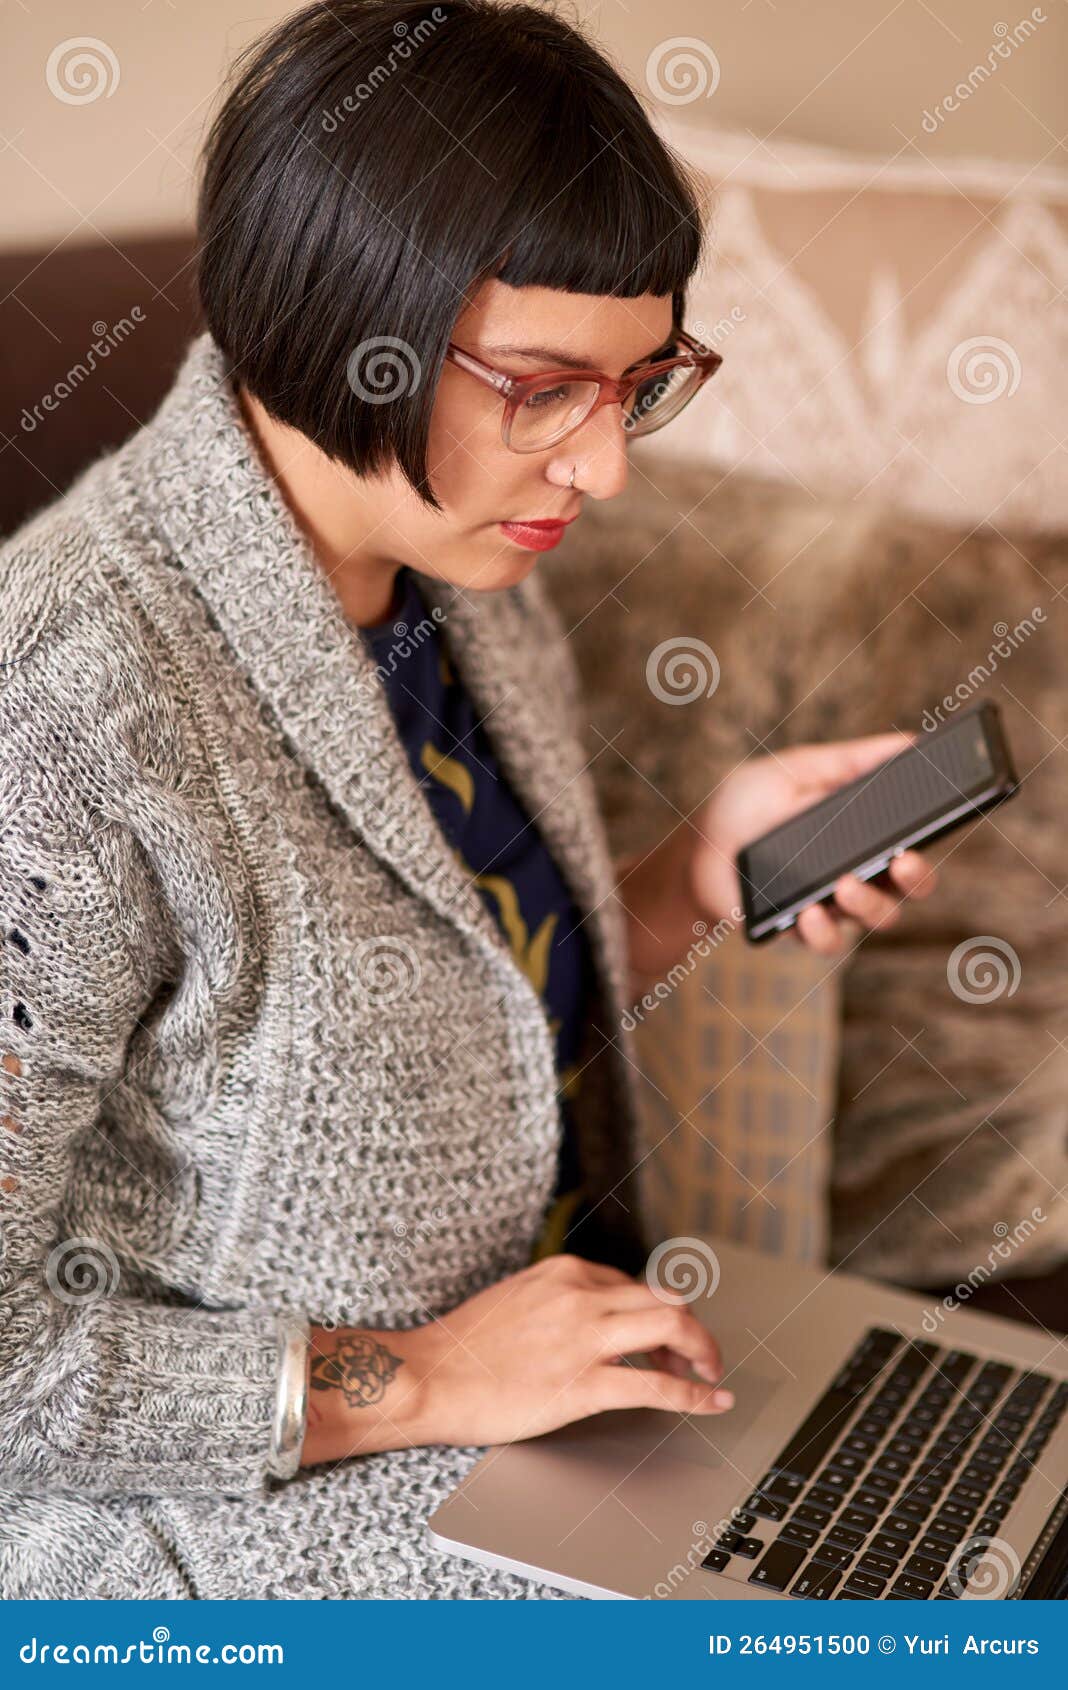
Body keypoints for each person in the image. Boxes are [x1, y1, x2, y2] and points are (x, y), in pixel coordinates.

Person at [0, 0, 935, 1600]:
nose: (607, 466)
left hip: (558, 1432)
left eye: (640, 383)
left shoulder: (469, 572)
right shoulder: (64, 708)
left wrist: (685, 882)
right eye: (545, 385)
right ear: (335, 322)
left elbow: (459, 1013)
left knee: (970, 1536)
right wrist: (422, 1378)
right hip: (201, 1544)